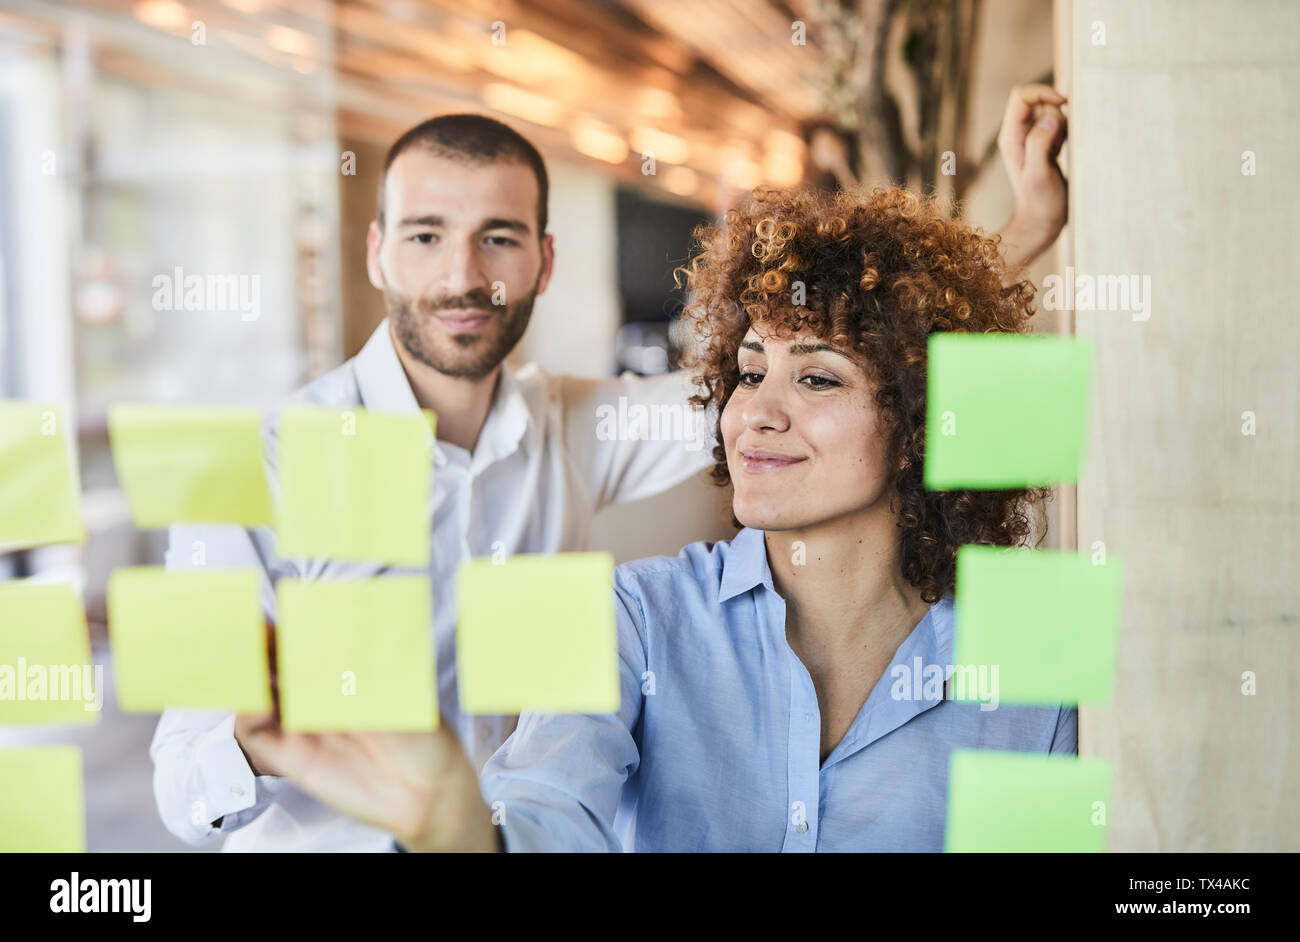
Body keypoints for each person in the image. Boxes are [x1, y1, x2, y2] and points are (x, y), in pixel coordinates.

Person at [153, 85, 1070, 851]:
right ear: (377, 253)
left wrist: (1018, 236)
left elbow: (847, 362)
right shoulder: (258, 468)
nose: (463, 275)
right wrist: (271, 737)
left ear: (544, 261)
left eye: (499, 237)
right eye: (426, 235)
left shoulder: (577, 423)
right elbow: (177, 783)